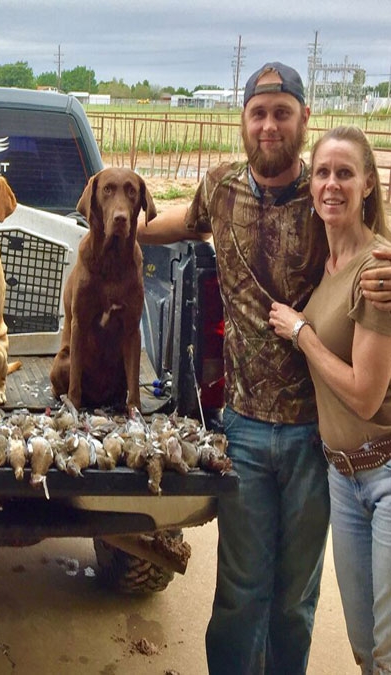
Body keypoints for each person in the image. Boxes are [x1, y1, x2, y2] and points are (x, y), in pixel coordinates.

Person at [138, 62, 391, 674]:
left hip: (314, 436)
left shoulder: (327, 194)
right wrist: (122, 228)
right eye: (259, 113)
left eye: (282, 112)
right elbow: (183, 222)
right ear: (243, 122)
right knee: (240, 591)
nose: (270, 125)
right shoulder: (221, 186)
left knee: (296, 598)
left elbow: (370, 243)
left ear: (303, 119)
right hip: (244, 429)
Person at [269, 126, 391, 674]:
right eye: (322, 173)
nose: (332, 184)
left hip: (385, 474)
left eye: (345, 173)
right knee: (366, 645)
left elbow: (365, 396)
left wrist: (302, 334)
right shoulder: (327, 261)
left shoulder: (377, 272)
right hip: (343, 480)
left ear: (368, 183)